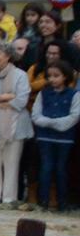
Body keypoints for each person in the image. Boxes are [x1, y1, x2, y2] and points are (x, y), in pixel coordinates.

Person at [0, 43, 33, 205]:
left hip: (14, 124)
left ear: (8, 56)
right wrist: (3, 98)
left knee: (11, 162)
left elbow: (21, 101)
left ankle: (9, 198)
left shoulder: (20, 75)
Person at [33, 60, 78, 211]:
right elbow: (36, 116)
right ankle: (43, 201)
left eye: (56, 76)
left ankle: (62, 202)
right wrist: (54, 123)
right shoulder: (43, 93)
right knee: (46, 167)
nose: (52, 79)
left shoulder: (74, 94)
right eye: (50, 76)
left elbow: (74, 117)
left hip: (65, 138)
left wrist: (50, 122)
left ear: (65, 76)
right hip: (45, 137)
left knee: (61, 168)